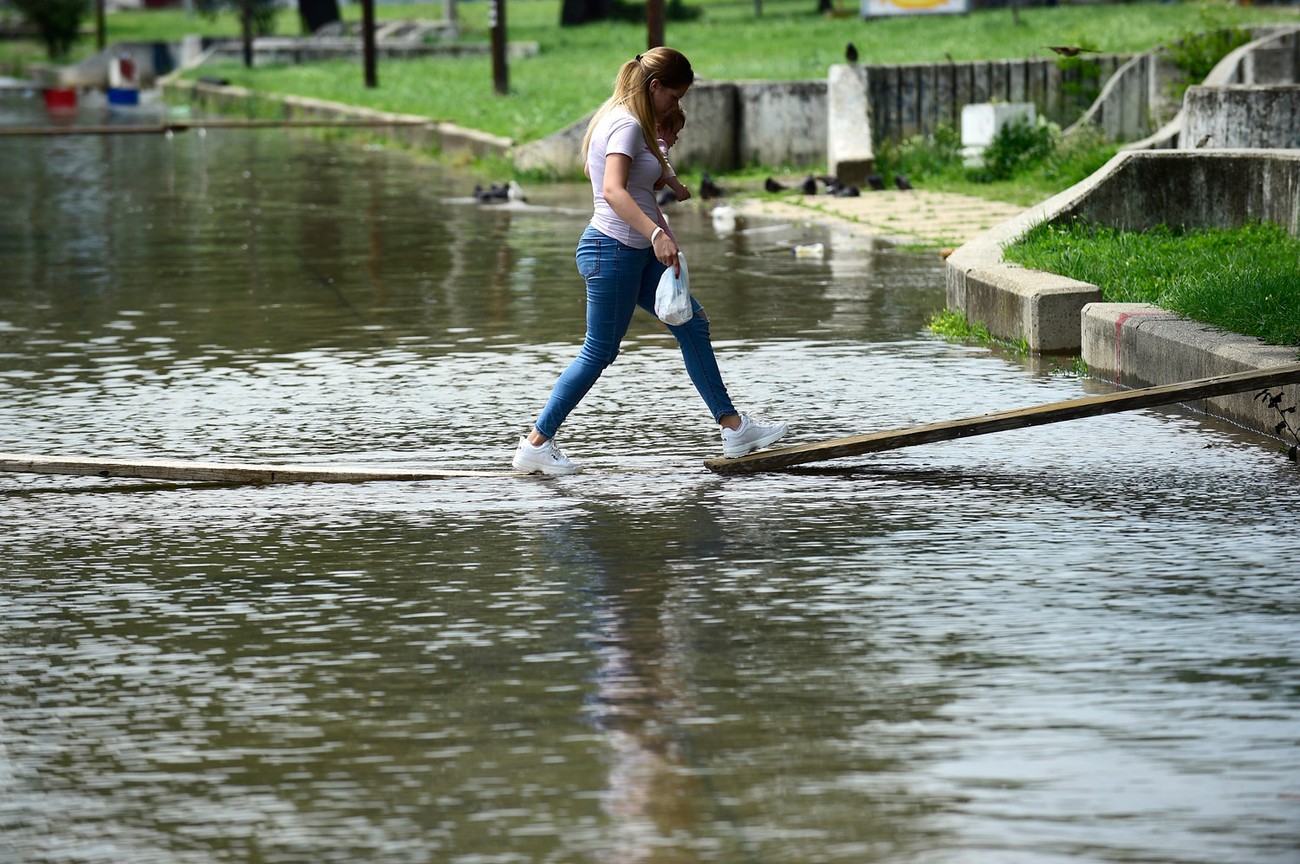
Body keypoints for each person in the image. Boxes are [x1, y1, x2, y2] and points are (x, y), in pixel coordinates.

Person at [512, 46, 787, 475]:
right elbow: (612, 191)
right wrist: (656, 233)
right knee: (599, 351)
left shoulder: (628, 122)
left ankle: (734, 428)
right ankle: (536, 443)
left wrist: (660, 194)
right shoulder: (623, 124)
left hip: (632, 250)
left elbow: (607, 177)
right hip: (612, 250)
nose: (677, 106)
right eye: (675, 97)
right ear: (655, 87)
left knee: (692, 323)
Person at [655, 107, 691, 208]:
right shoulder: (659, 144)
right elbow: (664, 165)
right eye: (674, 132)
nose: (676, 138)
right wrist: (678, 188)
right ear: (658, 130)